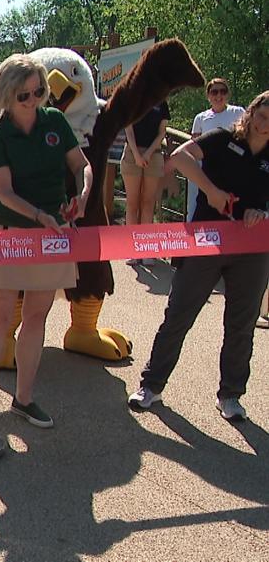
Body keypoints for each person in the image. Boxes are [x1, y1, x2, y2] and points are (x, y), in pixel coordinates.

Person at [128, 91, 269, 421]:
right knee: (179, 313)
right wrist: (211, 191)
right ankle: (152, 385)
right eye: (261, 116)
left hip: (252, 247)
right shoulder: (223, 138)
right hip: (208, 238)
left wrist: (261, 212)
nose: (265, 125)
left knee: (241, 324)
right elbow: (179, 157)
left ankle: (231, 395)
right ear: (251, 113)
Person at [0, 54, 93, 429]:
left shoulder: (55, 121)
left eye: (39, 91)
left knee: (38, 316)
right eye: (24, 94)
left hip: (54, 235)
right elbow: (4, 193)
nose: (33, 100)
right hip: (11, 233)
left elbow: (81, 164)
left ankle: (24, 399)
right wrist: (40, 216)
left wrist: (84, 192)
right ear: (6, 95)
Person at [188, 78, 244, 221]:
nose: (219, 96)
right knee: (197, 207)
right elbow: (193, 144)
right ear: (208, 96)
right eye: (214, 92)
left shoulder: (238, 112)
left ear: (228, 94)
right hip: (205, 171)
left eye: (223, 91)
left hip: (231, 170)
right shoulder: (200, 118)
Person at [122, 100, 170, 266]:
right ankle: (132, 249)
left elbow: (162, 132)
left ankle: (146, 248)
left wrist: (148, 153)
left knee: (148, 202)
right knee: (132, 203)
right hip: (131, 154)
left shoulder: (161, 103)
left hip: (154, 154)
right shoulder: (133, 99)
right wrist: (136, 154)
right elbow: (128, 129)